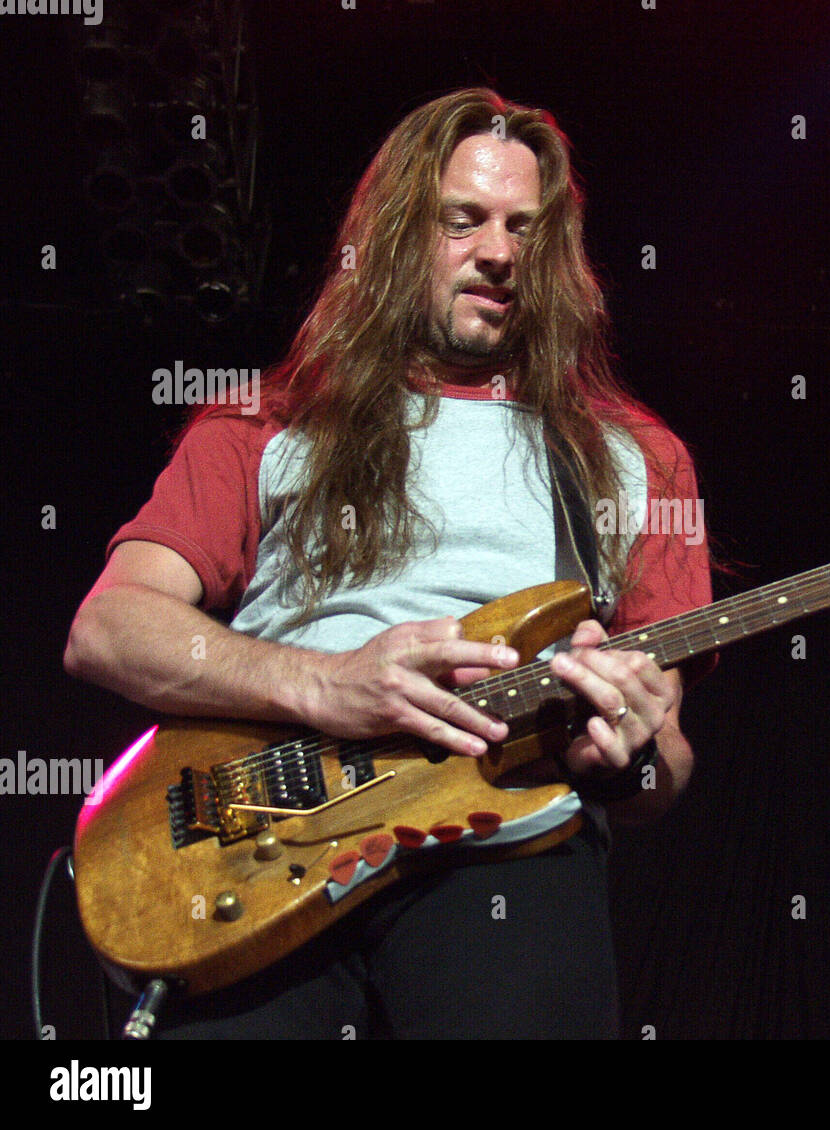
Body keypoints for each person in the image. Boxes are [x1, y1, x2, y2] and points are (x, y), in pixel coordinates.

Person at [63, 88, 715, 1039]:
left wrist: (630, 758)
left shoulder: (637, 459)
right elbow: (108, 629)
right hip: (262, 841)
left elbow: (666, 774)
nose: (499, 252)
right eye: (464, 220)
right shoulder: (270, 421)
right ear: (396, 234)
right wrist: (326, 684)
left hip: (505, 846)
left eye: (525, 228)